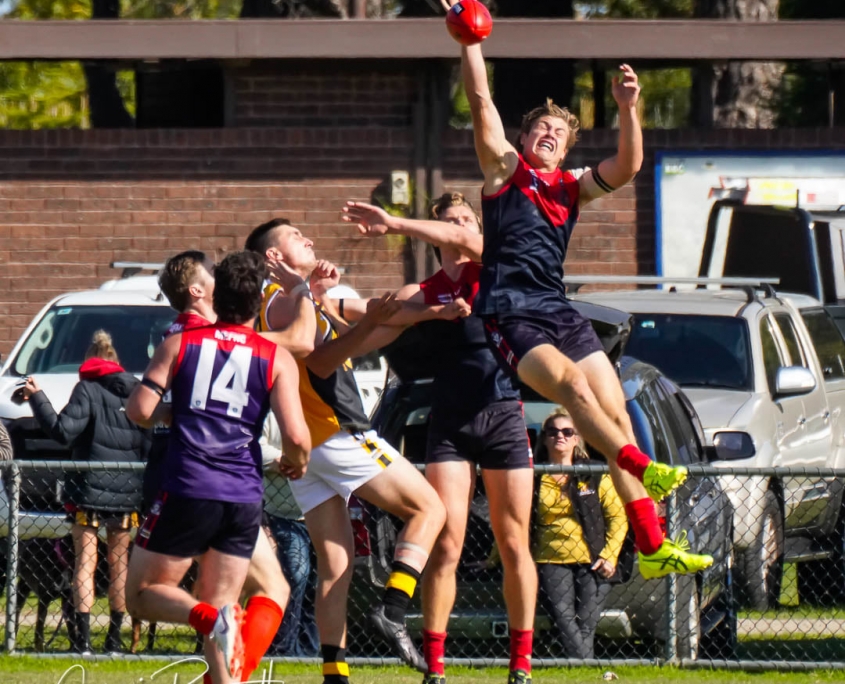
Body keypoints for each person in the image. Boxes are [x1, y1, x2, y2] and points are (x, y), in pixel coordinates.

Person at [441, 0, 712, 613]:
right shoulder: (504, 172)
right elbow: (482, 104)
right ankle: (645, 469)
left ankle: (649, 540)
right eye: (541, 128)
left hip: (558, 309)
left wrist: (627, 108)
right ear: (524, 137)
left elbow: (629, 164)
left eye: (559, 135)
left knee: (612, 410)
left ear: (564, 153)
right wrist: (469, 40)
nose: (549, 136)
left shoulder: (569, 187)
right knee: (568, 388)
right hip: (510, 314)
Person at [342, 193, 537, 684]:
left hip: (502, 417)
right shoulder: (424, 290)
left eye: (467, 220)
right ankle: (434, 665)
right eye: (450, 221)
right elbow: (371, 313)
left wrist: (398, 225)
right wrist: (313, 294)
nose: (459, 227)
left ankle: (521, 664)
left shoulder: (494, 270)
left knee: (513, 541)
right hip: (450, 423)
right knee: (446, 543)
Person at [246, 218, 448, 682]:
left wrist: (427, 312)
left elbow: (369, 324)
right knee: (430, 509)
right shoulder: (281, 301)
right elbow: (317, 356)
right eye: (297, 236)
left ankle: (334, 672)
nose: (310, 238)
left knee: (336, 564)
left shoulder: (300, 300)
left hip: (311, 451)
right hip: (338, 435)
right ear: (271, 258)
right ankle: (395, 609)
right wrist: (307, 291)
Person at [125, 251, 311, 684]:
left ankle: (211, 621)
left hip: (189, 485)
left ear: (216, 294)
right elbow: (298, 439)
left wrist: (177, 414)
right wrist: (295, 462)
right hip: (243, 497)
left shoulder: (180, 343)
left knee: (141, 597)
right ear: (258, 300)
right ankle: (218, 626)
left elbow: (138, 410)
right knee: (225, 603)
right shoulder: (275, 356)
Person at [22, 330, 150, 655]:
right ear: (116, 360)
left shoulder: (87, 389)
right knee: (120, 563)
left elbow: (63, 431)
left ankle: (83, 642)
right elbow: (148, 443)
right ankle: (115, 640)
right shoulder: (136, 392)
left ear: (89, 360)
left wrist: (38, 398)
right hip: (126, 491)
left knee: (85, 563)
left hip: (87, 490)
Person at [534, 408, 628, 660]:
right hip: (549, 558)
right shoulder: (533, 476)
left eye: (567, 432)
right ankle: (587, 668)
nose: (560, 437)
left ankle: (580, 667)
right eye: (552, 432)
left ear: (577, 439)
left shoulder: (594, 473)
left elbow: (618, 517)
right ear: (544, 438)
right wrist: (495, 557)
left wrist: (610, 555)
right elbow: (515, 520)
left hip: (594, 559)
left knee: (586, 622)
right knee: (563, 617)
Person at [260, 412, 319, 657]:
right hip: (283, 512)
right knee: (296, 575)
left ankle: (309, 651)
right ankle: (283, 648)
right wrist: (283, 460)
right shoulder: (269, 411)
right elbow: (254, 447)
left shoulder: (318, 405)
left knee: (315, 585)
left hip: (321, 512)